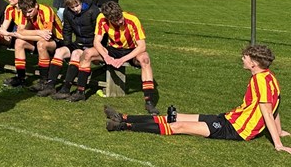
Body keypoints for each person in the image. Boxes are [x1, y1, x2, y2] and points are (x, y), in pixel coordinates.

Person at [105, 45, 289, 154]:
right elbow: (275, 106)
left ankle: (124, 126)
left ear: (253, 63)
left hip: (236, 129)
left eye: (245, 58)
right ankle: (124, 116)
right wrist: (279, 131)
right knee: (176, 117)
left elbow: (267, 110)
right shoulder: (269, 77)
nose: (242, 59)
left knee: (178, 127)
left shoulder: (260, 81)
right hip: (229, 119)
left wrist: (278, 144)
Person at [83, 1, 158, 114]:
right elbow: (96, 42)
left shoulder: (132, 19)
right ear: (108, 18)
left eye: (120, 17)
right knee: (88, 53)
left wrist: (122, 59)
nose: (120, 21)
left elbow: (142, 46)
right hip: (113, 49)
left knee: (145, 59)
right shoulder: (101, 18)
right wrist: (106, 56)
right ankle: (80, 90)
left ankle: (149, 101)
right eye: (116, 20)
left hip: (132, 50)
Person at [47, 0, 100, 100]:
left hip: (92, 44)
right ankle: (50, 85)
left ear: (80, 2)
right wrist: (67, 44)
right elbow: (67, 29)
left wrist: (96, 48)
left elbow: (100, 32)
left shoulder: (93, 11)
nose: (75, 9)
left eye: (77, 6)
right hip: (78, 42)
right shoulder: (67, 12)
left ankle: (66, 88)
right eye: (72, 7)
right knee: (60, 51)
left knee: (76, 54)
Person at [6, 0, 62, 89]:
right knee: (19, 42)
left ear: (36, 5)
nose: (28, 15)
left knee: (41, 44)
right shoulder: (25, 11)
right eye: (26, 12)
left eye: (30, 11)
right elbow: (21, 30)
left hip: (58, 41)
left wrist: (24, 35)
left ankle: (44, 80)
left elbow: (47, 36)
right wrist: (39, 32)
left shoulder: (46, 10)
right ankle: (21, 77)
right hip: (40, 37)